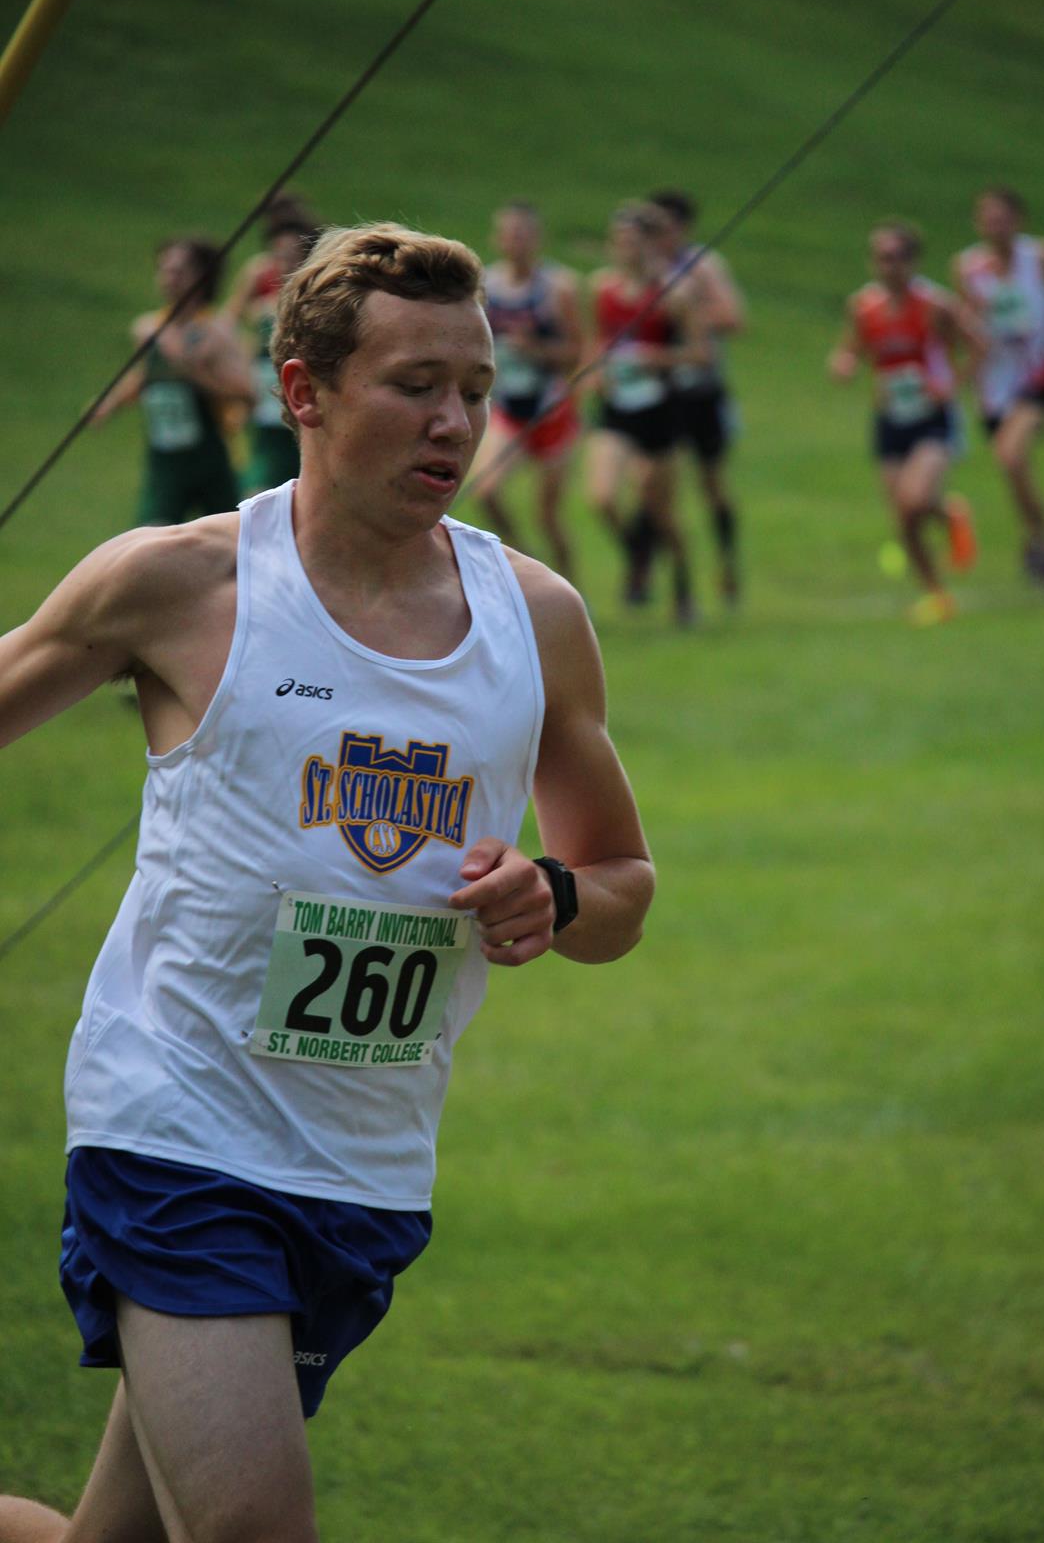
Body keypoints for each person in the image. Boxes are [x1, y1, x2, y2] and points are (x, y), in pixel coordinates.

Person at [0, 222, 654, 1542]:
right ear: (303, 390)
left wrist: (553, 894)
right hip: (174, 1130)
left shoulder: (534, 618)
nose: (454, 421)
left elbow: (621, 883)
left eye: (473, 388)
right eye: (414, 385)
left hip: (365, 1164)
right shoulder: (178, 582)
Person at [829, 219, 981, 626]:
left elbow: (978, 346)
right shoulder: (864, 306)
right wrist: (843, 364)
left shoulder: (936, 305)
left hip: (932, 418)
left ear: (913, 261)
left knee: (913, 501)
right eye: (881, 258)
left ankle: (945, 517)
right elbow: (852, 349)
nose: (888, 266)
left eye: (896, 258)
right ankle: (936, 592)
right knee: (904, 516)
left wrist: (950, 386)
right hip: (890, 418)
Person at [586, 202, 712, 622]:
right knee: (602, 496)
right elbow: (597, 340)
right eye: (618, 241)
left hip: (661, 411)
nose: (624, 250)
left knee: (660, 511)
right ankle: (638, 557)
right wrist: (595, 372)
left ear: (652, 245)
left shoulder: (675, 293)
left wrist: (655, 357)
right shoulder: (601, 287)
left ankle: (683, 585)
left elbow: (701, 354)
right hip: (616, 407)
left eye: (633, 242)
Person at [92, 237, 256, 524]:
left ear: (202, 276)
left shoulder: (217, 332)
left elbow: (247, 393)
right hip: (164, 459)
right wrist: (108, 405)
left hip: (211, 458)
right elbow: (145, 377)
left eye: (178, 271)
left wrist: (197, 376)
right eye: (164, 270)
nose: (168, 278)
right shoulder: (147, 330)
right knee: (150, 534)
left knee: (229, 533)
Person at [952, 186, 1044, 584]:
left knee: (1011, 456)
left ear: (1018, 220)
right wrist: (971, 341)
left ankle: (1042, 541)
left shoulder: (1042, 256)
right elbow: (966, 317)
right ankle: (1040, 540)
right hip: (995, 381)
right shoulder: (967, 267)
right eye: (987, 219)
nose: (994, 226)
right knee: (1013, 468)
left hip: (1036, 372)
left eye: (1001, 219)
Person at [465, 201, 583, 580]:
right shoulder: (486, 286)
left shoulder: (558, 287)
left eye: (523, 234)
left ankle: (570, 588)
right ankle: (527, 567)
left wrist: (536, 349)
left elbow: (577, 352)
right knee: (485, 489)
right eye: (509, 234)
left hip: (551, 408)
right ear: (497, 239)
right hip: (509, 406)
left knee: (548, 515)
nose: (515, 242)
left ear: (537, 238)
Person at [648, 190, 746, 604]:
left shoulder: (702, 265)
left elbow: (734, 317)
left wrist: (688, 312)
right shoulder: (644, 269)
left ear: (682, 228)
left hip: (701, 390)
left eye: (666, 227)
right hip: (661, 392)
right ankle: (666, 577)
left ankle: (727, 561)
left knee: (711, 484)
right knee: (655, 488)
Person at [225, 195, 319, 495]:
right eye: (279, 256)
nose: (284, 264)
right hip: (266, 389)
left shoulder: (318, 297)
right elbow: (229, 322)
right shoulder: (259, 275)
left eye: (292, 256)